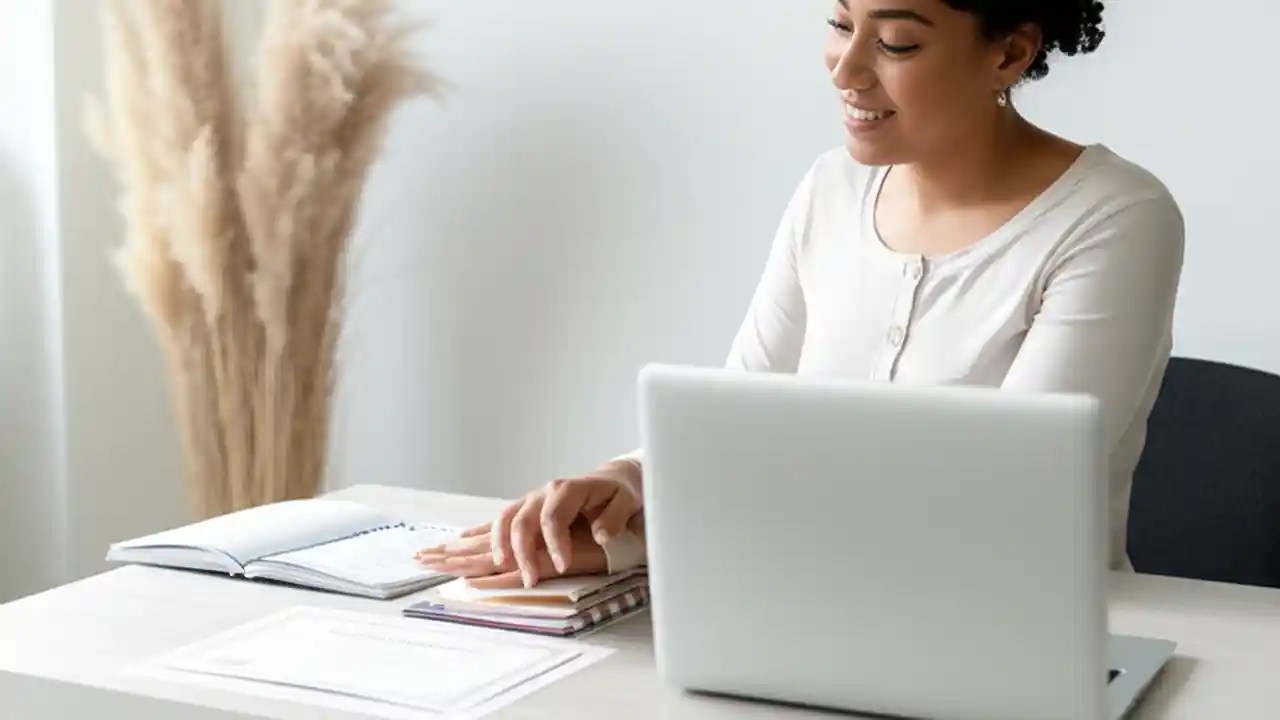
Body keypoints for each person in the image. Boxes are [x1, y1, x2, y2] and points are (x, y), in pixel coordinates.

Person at [416, 0, 1184, 587]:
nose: (846, 70)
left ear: (1010, 53)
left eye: (895, 43)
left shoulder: (1114, 217)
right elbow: (742, 411)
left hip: (1023, 624)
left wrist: (665, 525)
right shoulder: (831, 188)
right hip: (796, 602)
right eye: (839, 22)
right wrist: (631, 486)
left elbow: (1007, 498)